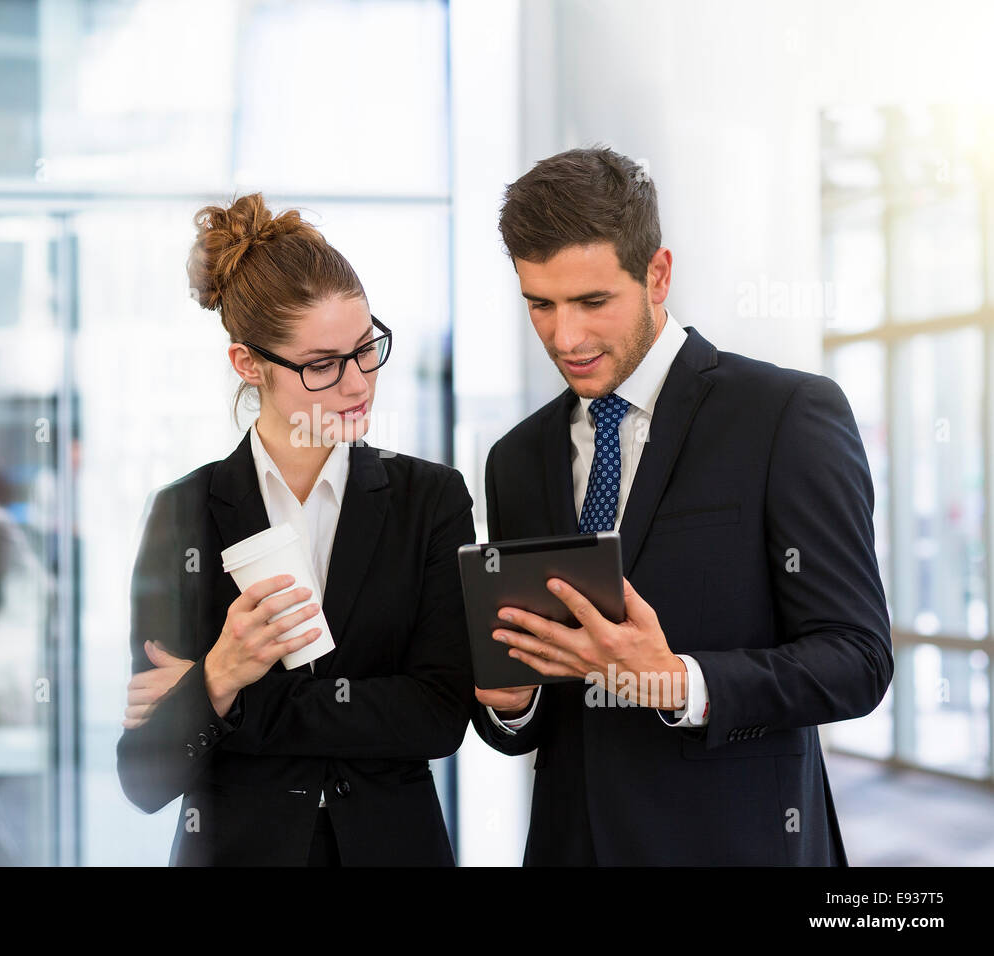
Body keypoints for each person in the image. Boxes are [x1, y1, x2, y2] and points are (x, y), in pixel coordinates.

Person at [471, 146, 892, 865]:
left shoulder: (786, 415)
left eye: (592, 302)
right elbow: (534, 710)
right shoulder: (515, 458)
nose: (564, 337)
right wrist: (509, 704)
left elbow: (856, 659)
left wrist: (677, 680)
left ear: (658, 274)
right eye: (540, 304)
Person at [116, 192, 475, 866]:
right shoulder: (184, 513)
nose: (357, 383)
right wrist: (222, 671)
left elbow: (435, 714)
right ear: (249, 365)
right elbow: (144, 775)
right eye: (322, 365)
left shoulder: (429, 498)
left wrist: (223, 697)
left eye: (367, 349)